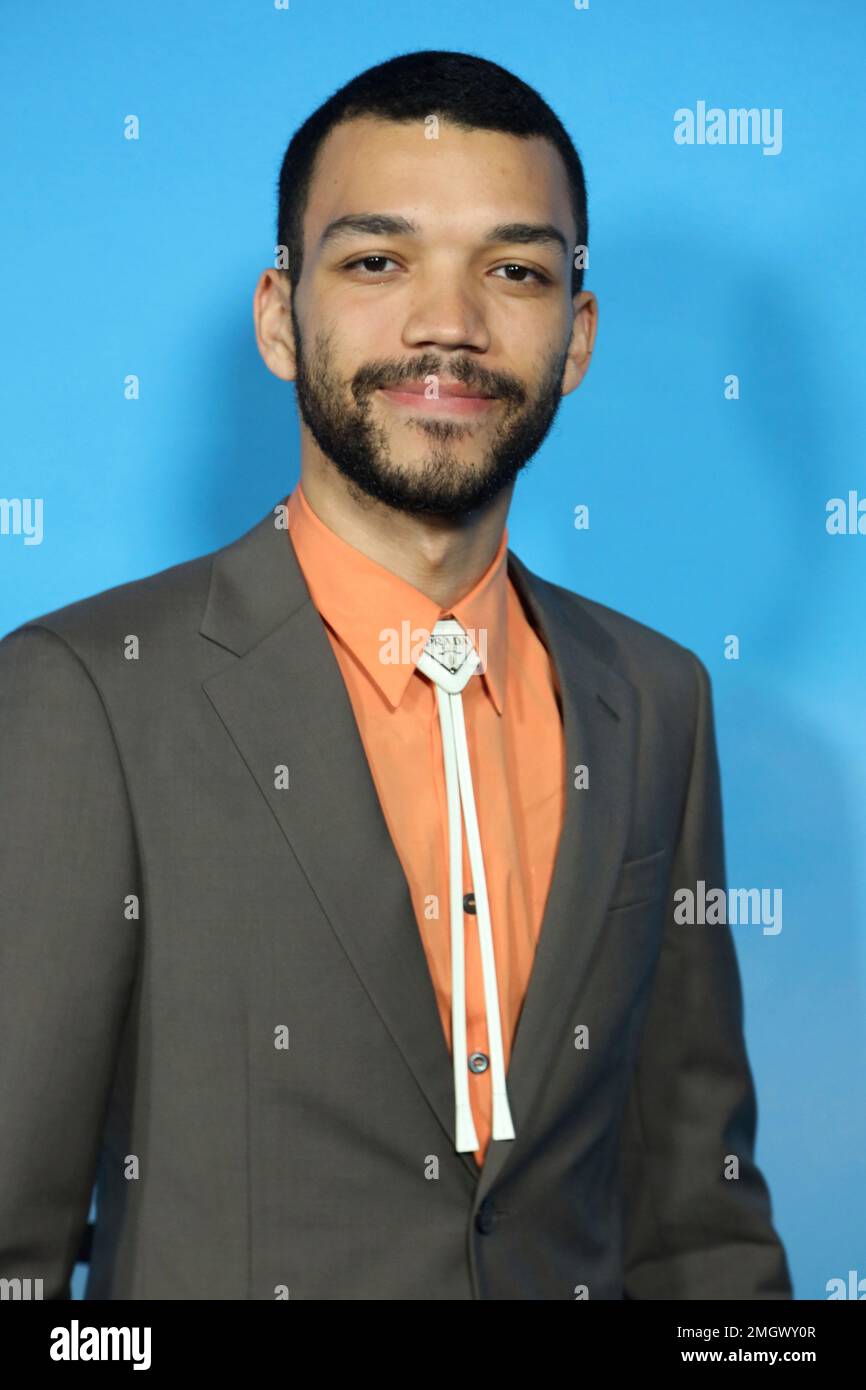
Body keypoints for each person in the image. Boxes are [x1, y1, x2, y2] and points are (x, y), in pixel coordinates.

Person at [0, 49, 792, 1300]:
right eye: (377, 261)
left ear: (575, 338)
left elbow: (699, 1229)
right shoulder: (84, 696)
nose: (448, 325)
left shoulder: (654, 698)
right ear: (279, 317)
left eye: (513, 271)